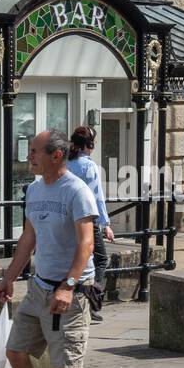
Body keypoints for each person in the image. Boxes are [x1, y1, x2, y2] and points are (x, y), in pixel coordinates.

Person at [0, 129, 99, 368]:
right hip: (38, 289)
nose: (30, 157)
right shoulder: (35, 190)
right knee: (15, 350)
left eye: (35, 151)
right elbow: (29, 238)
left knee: (67, 367)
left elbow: (87, 242)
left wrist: (68, 286)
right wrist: (9, 278)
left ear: (56, 155)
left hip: (71, 294)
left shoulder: (76, 191)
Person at [66, 125, 113, 323]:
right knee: (101, 259)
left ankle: (71, 295)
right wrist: (105, 223)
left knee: (72, 258)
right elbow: (96, 197)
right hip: (86, 220)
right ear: (90, 145)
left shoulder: (65, 162)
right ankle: (91, 301)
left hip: (66, 219)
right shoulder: (89, 166)